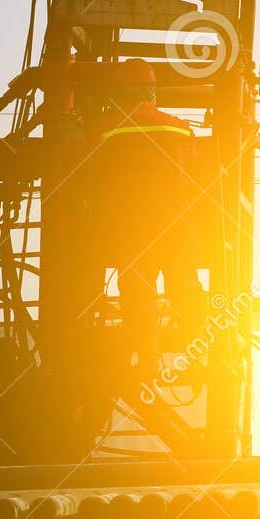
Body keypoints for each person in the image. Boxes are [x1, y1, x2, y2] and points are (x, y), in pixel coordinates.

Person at [89, 59, 205, 371]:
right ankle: (202, 340)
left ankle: (146, 356)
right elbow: (197, 171)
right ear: (150, 91)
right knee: (183, 281)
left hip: (132, 227)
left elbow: (94, 178)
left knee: (138, 290)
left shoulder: (106, 131)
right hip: (175, 222)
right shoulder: (180, 129)